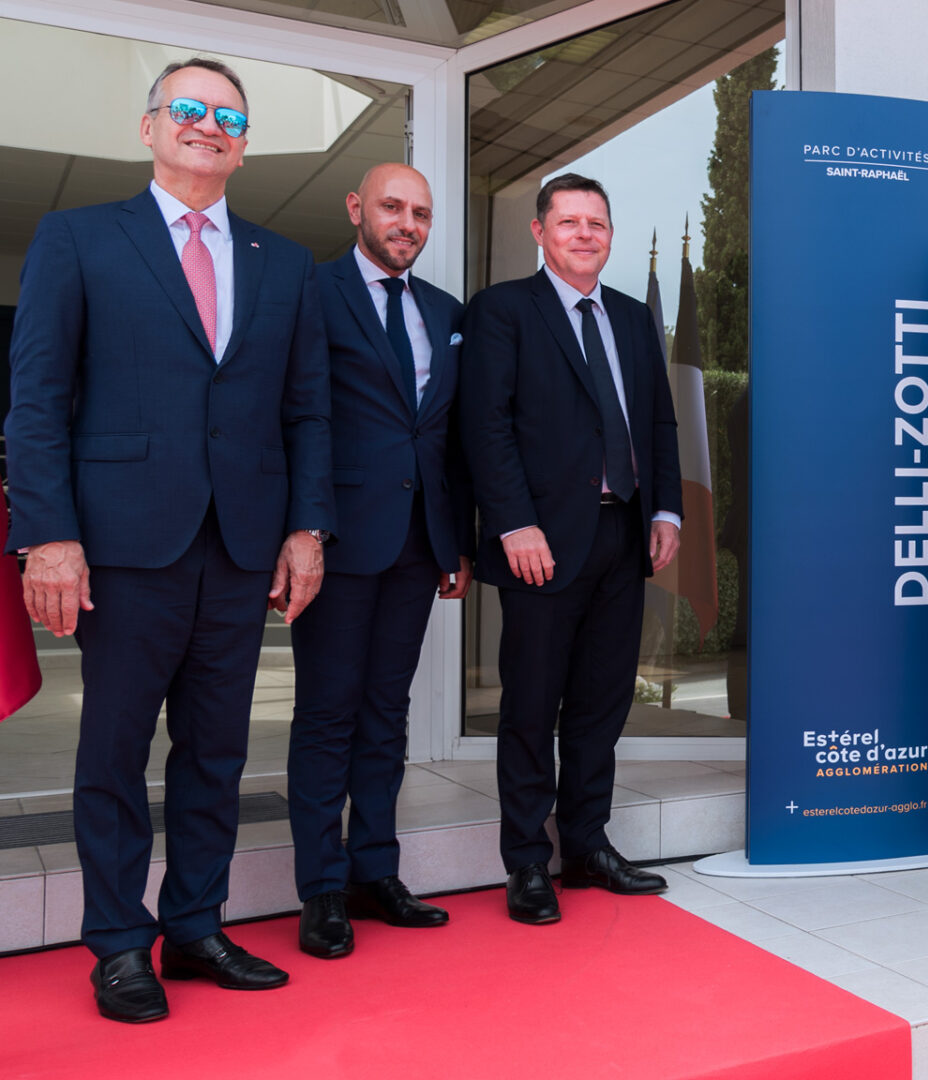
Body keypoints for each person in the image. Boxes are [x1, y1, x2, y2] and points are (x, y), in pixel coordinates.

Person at [6, 57, 331, 1022]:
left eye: (228, 116)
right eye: (187, 109)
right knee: (112, 753)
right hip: (120, 548)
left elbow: (307, 413)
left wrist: (306, 529)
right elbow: (37, 401)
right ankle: (117, 943)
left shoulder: (283, 265)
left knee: (215, 753)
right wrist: (47, 535)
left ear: (244, 143)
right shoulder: (76, 239)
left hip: (239, 547)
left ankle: (194, 925)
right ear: (149, 128)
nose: (208, 125)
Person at [461, 173, 682, 925]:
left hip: (623, 535)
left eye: (597, 223)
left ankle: (587, 844)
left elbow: (657, 423)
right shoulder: (502, 312)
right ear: (539, 231)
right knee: (530, 705)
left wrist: (669, 511)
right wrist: (513, 522)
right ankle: (527, 860)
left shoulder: (627, 317)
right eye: (570, 222)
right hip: (542, 544)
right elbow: (485, 427)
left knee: (601, 703)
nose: (585, 235)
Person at [288, 163, 472, 960]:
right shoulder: (310, 292)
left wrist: (454, 538)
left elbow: (449, 435)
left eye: (421, 213)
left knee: (385, 712)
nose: (408, 223)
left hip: (417, 542)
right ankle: (322, 890)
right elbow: (297, 416)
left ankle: (375, 872)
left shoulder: (444, 311)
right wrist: (304, 530)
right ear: (358, 208)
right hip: (338, 540)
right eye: (393, 207)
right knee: (329, 713)